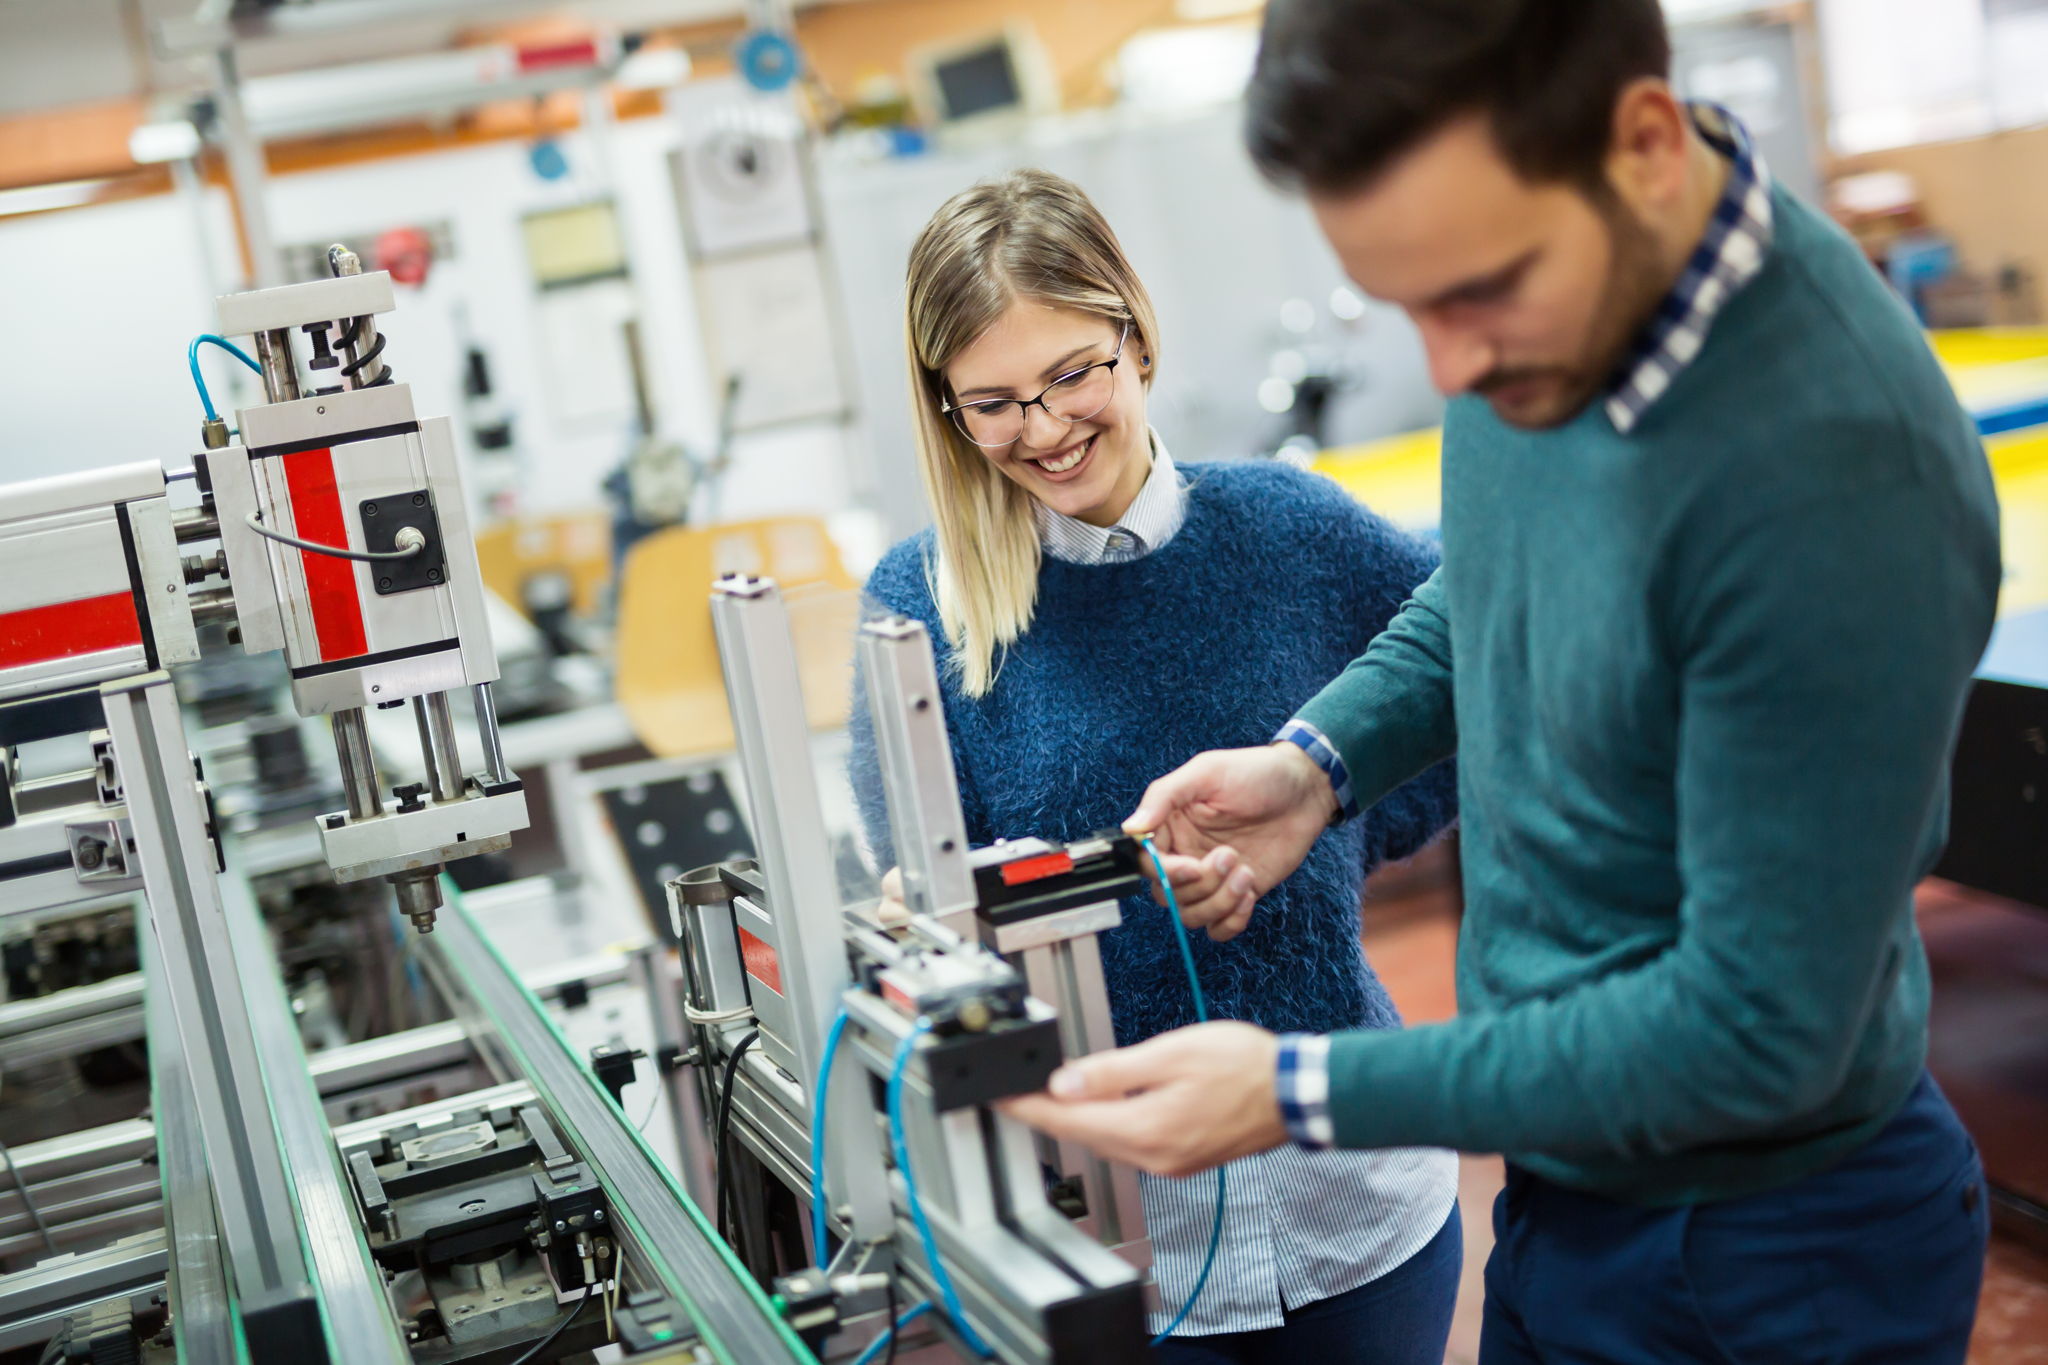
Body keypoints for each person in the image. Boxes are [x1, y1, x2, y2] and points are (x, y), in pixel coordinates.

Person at [1003, 4, 2003, 1363]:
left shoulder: (1830, 475)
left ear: (1644, 143)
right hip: (1571, 1189)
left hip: (1770, 1247)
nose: (1450, 368)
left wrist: (1299, 1090)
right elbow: (1489, 584)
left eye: (1473, 293)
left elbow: (1755, 1031)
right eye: (1406, 302)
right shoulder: (1553, 298)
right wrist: (1320, 764)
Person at [845, 169, 1463, 1363]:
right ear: (945, 410)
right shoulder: (919, 612)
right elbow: (934, 907)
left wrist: (1315, 831)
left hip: (1358, 1199)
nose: (1041, 427)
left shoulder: (1293, 528)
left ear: (1132, 336)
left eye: (1070, 372)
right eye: (992, 402)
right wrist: (1083, 903)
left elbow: (1451, 705)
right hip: (1117, 1239)